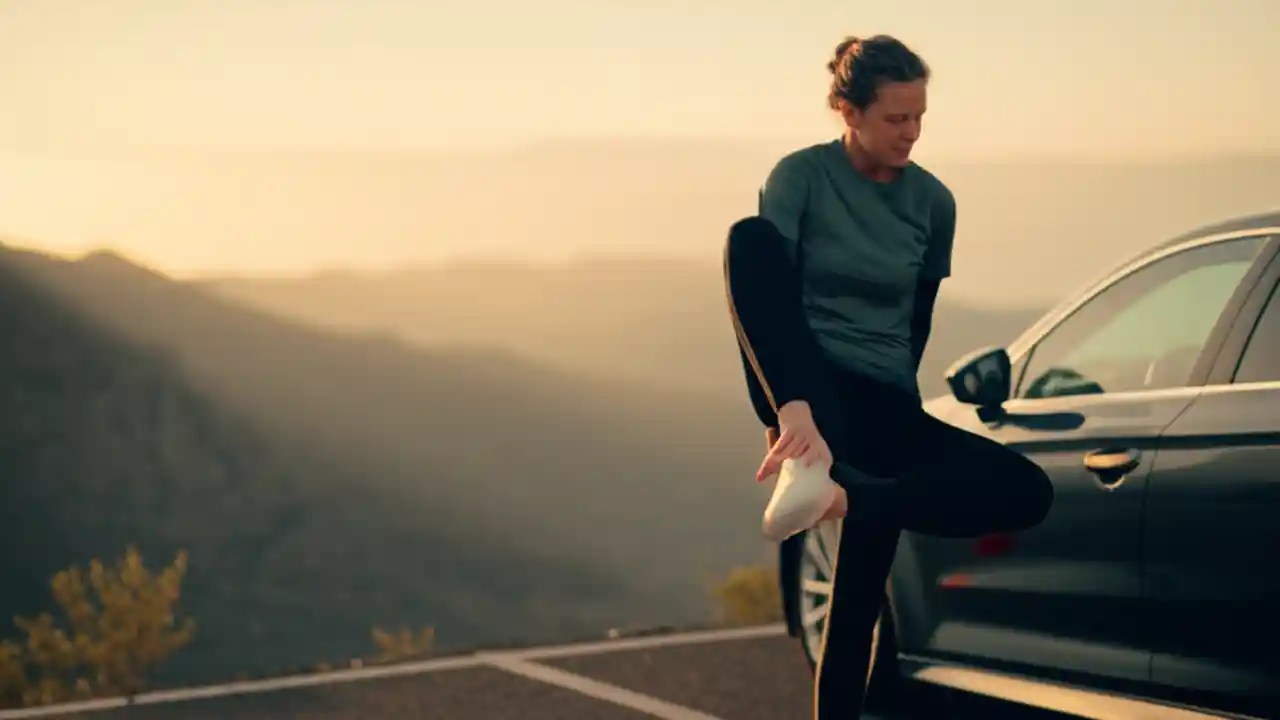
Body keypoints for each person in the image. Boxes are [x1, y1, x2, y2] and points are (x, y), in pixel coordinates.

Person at [722, 35, 1054, 718]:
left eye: (919, 118)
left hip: (882, 403)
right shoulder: (801, 178)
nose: (911, 133)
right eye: (895, 119)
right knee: (746, 240)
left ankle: (847, 496)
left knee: (1025, 492)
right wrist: (791, 408)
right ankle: (802, 446)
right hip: (809, 386)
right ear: (849, 111)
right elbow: (768, 300)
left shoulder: (934, 204)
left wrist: (901, 424)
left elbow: (916, 322)